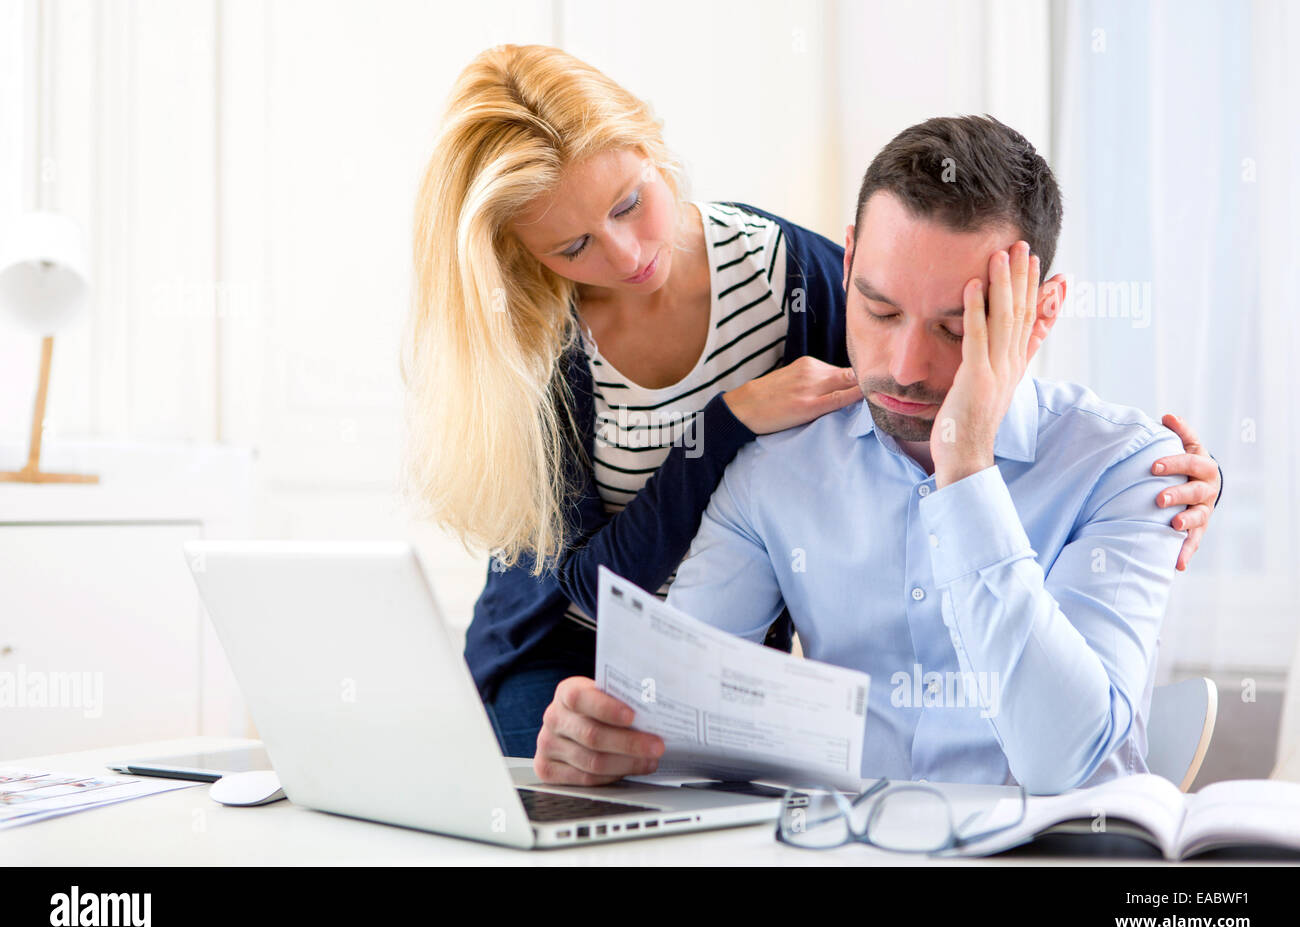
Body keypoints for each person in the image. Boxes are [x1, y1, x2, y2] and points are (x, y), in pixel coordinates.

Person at [402, 45, 1221, 762]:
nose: (626, 254)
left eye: (627, 205)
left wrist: (1156, 474)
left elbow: (969, 346)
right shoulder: (542, 343)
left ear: (652, 151)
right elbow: (607, 614)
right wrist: (726, 424)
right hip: (555, 635)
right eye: (574, 246)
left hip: (721, 651)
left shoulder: (787, 277)